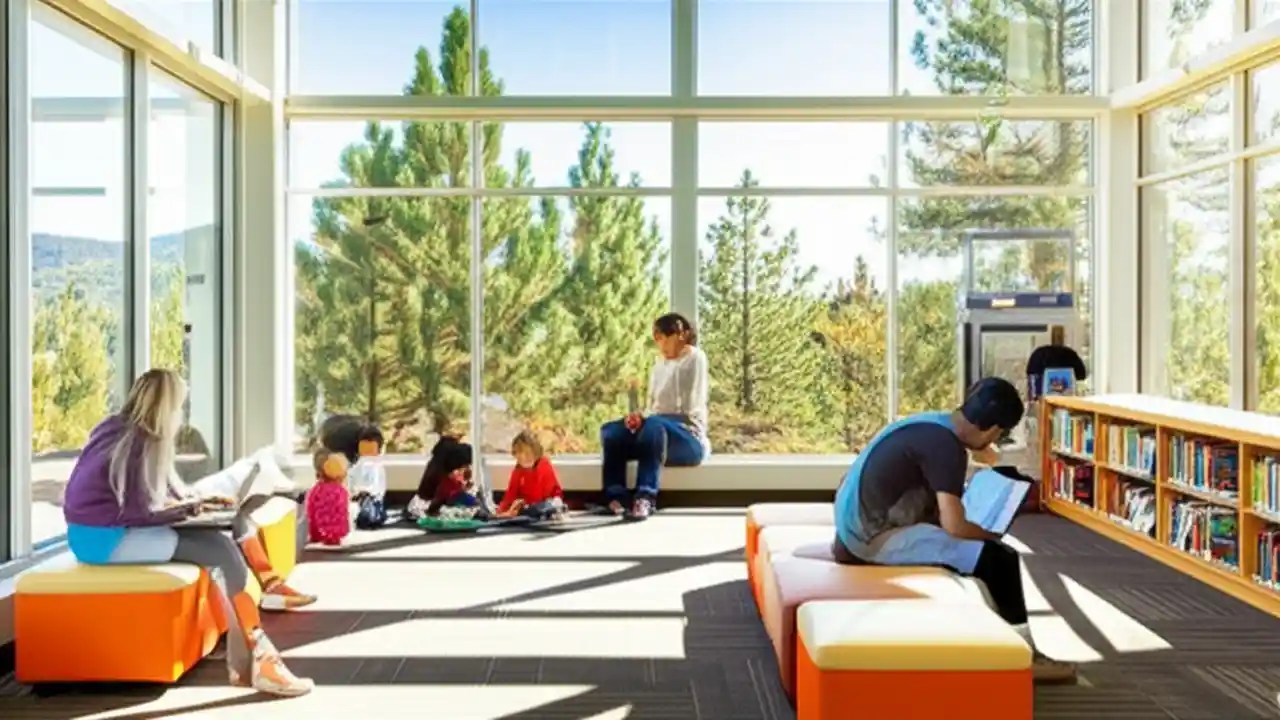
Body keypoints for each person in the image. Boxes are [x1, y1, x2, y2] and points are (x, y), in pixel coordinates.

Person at [62, 369, 313, 697]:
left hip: (92, 534)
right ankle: (261, 660)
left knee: (223, 540)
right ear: (166, 405)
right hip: (107, 541)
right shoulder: (137, 442)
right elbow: (139, 511)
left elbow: (146, 496)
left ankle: (249, 647)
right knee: (222, 551)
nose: (182, 413)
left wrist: (196, 503)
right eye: (180, 404)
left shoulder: (119, 429)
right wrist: (190, 510)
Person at [831, 377, 1076, 683]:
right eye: (997, 435)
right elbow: (955, 525)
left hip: (853, 528)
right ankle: (1025, 656)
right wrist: (991, 533)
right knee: (999, 558)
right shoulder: (948, 448)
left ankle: (987, 637)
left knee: (973, 552)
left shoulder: (929, 423)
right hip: (870, 539)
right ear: (992, 430)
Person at [599, 312, 710, 520]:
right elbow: (653, 408)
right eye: (657, 340)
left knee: (654, 426)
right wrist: (638, 418)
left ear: (679, 335)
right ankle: (616, 497)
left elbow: (684, 402)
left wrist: (649, 420)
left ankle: (645, 497)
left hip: (687, 437)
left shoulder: (695, 358)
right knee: (611, 431)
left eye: (664, 338)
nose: (661, 346)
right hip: (655, 432)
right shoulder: (659, 366)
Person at [496, 430, 565, 519]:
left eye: (527, 454)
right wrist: (499, 514)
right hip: (527, 512)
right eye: (519, 455)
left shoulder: (544, 465)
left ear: (535, 452)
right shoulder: (518, 471)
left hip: (547, 509)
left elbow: (551, 493)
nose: (523, 458)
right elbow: (509, 496)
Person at [406, 436, 478, 520]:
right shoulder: (440, 475)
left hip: (422, 505)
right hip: (427, 508)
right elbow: (438, 501)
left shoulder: (436, 466)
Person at [306, 449, 351, 546]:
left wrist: (314, 534)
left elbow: (311, 513)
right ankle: (334, 536)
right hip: (336, 531)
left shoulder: (316, 490)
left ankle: (319, 535)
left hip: (319, 530)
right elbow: (343, 512)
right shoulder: (341, 491)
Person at [348, 424, 389, 529]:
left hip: (371, 498)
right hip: (359, 498)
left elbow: (377, 487)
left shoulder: (376, 465)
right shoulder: (360, 464)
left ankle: (370, 516)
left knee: (369, 511)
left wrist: (363, 492)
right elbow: (350, 478)